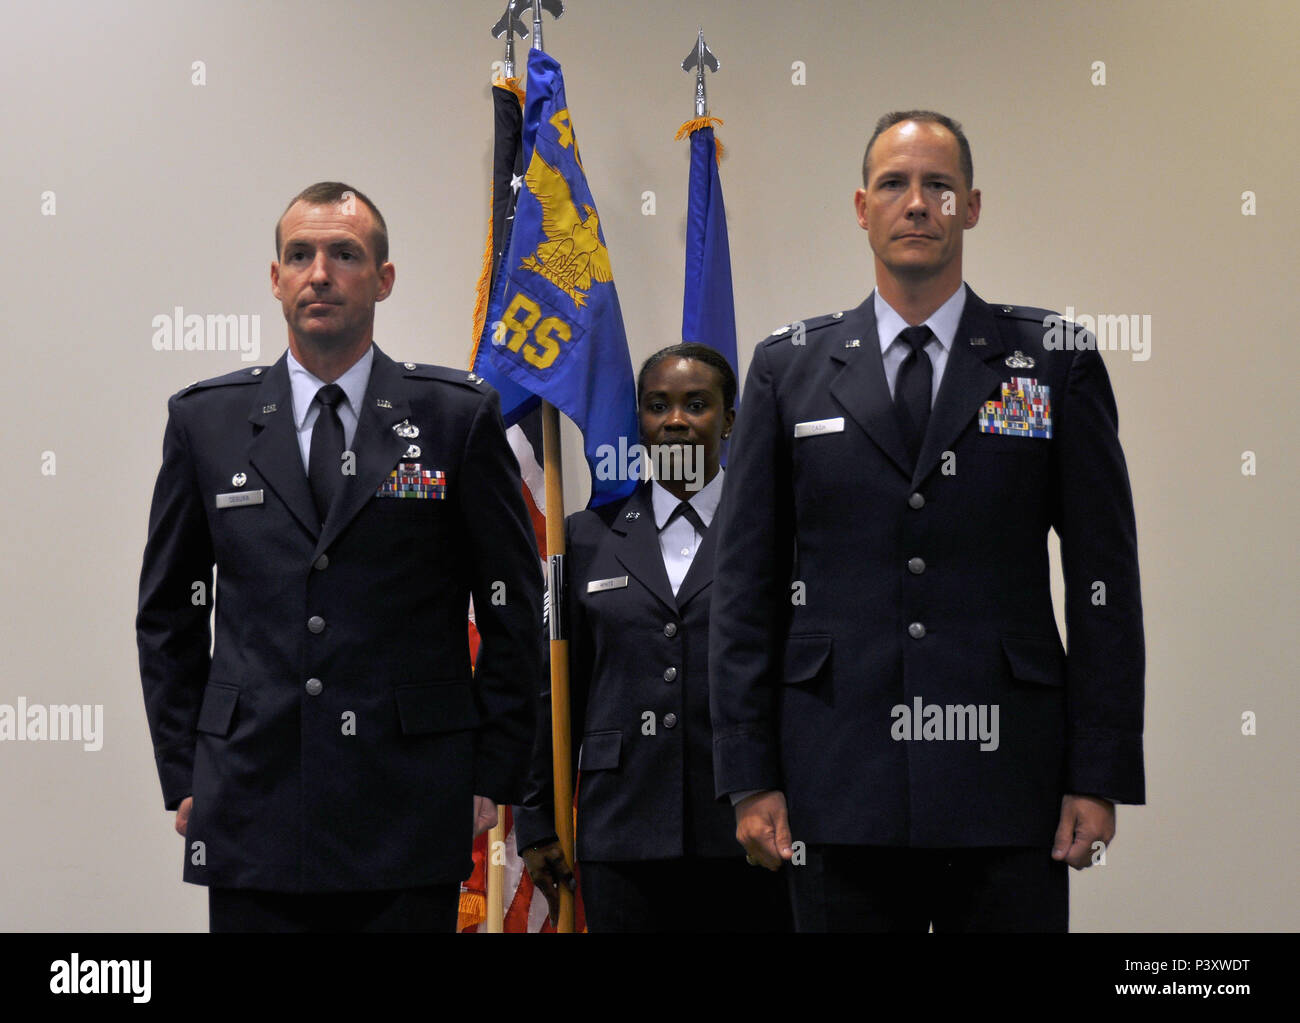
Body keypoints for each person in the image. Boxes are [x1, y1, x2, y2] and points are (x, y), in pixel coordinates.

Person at [709, 112, 1145, 931]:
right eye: (895, 185)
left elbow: (1104, 585)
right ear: (861, 207)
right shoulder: (787, 368)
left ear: (971, 207)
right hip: (836, 776)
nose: (917, 203)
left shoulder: (1054, 358)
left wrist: (1099, 771)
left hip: (1006, 776)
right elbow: (743, 586)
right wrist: (749, 772)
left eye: (938, 186)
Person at [136, 181, 542, 932]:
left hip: (409, 799)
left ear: (383, 278)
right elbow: (167, 615)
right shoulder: (206, 421)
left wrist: (489, 769)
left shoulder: (456, 416)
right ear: (275, 279)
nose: (319, 272)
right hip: (252, 792)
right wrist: (185, 770)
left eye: (344, 254)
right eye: (300, 254)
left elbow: (512, 606)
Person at [514, 344, 792, 932]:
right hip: (623, 828)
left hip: (747, 825)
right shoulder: (582, 539)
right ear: (638, 420)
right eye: (656, 405)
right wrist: (537, 816)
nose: (675, 420)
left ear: (730, 418)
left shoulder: (774, 532)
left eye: (697, 404)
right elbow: (553, 688)